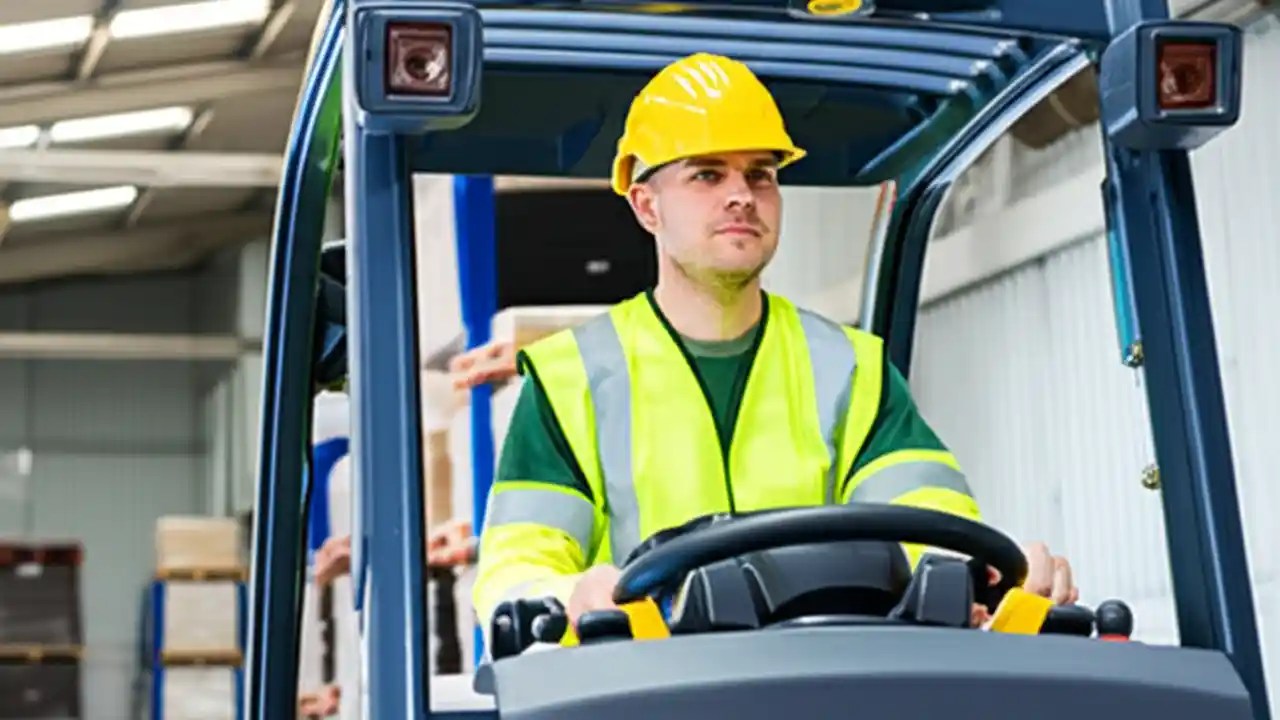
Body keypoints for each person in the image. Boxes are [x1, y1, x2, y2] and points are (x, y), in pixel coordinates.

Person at [471, 52, 1077, 635]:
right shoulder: (569, 379)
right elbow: (515, 571)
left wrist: (988, 578)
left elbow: (931, 525)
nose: (742, 194)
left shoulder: (853, 368)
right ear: (646, 205)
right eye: (708, 173)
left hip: (826, 681)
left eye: (759, 175)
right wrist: (569, 595)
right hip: (647, 693)